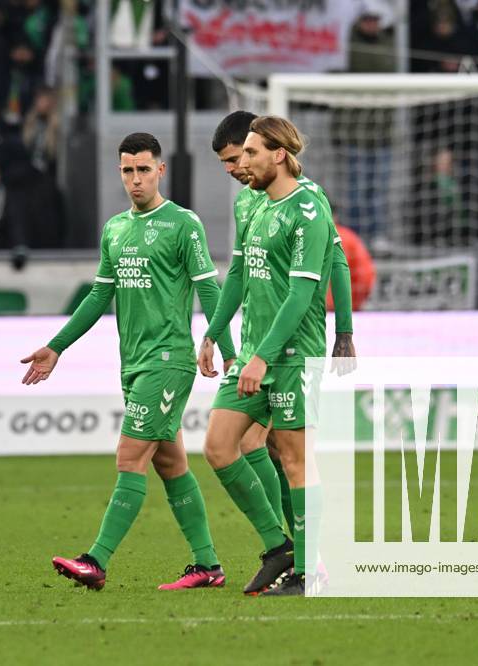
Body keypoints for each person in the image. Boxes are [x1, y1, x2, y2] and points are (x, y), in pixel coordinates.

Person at [20, 133, 237, 591]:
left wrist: (221, 343)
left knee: (129, 457)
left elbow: (209, 288)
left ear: (160, 171)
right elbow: (100, 294)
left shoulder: (183, 224)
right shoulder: (115, 229)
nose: (135, 179)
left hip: (168, 361)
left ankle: (96, 560)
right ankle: (207, 566)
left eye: (143, 170)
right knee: (171, 464)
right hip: (133, 363)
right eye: (127, 171)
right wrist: (57, 345)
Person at [198, 116, 337, 596]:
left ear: (278, 154)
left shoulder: (309, 210)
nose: (242, 164)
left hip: (294, 357)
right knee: (219, 445)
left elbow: (302, 295)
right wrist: (215, 331)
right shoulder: (255, 208)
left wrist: (265, 357)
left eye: (251, 153)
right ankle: (280, 547)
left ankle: (309, 569)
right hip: (255, 352)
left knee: (296, 461)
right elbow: (237, 274)